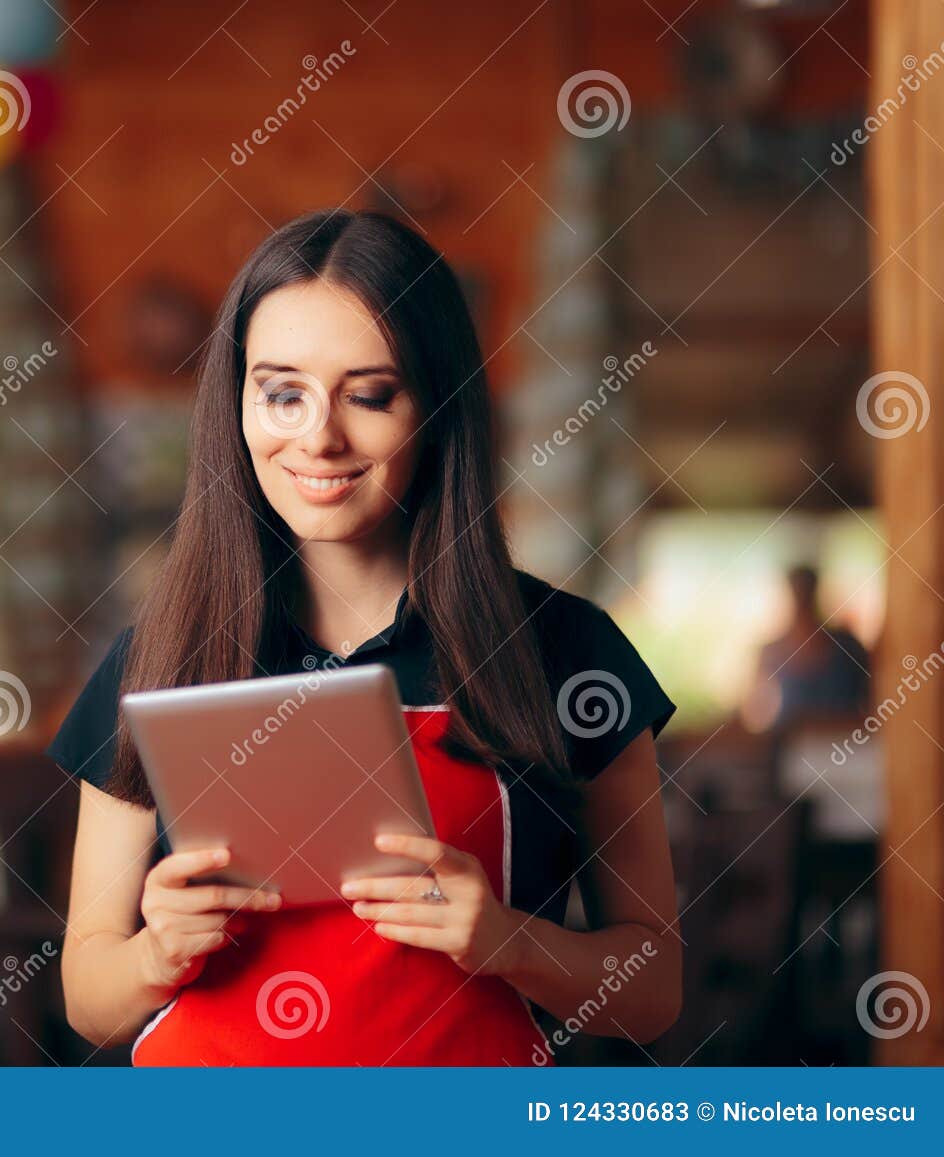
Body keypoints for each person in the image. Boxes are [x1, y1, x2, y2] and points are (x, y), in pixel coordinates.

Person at [45, 210, 681, 1066]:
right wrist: (158, 951)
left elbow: (653, 993)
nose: (318, 436)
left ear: (440, 403)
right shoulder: (158, 658)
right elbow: (90, 999)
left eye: (371, 394)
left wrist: (510, 941)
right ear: (236, 404)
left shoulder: (568, 650)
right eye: (282, 393)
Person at [744, 565, 871, 732]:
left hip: (845, 742)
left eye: (805, 592)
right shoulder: (772, 652)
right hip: (791, 747)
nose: (801, 599)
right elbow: (756, 713)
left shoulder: (847, 646)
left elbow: (870, 701)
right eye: (798, 592)